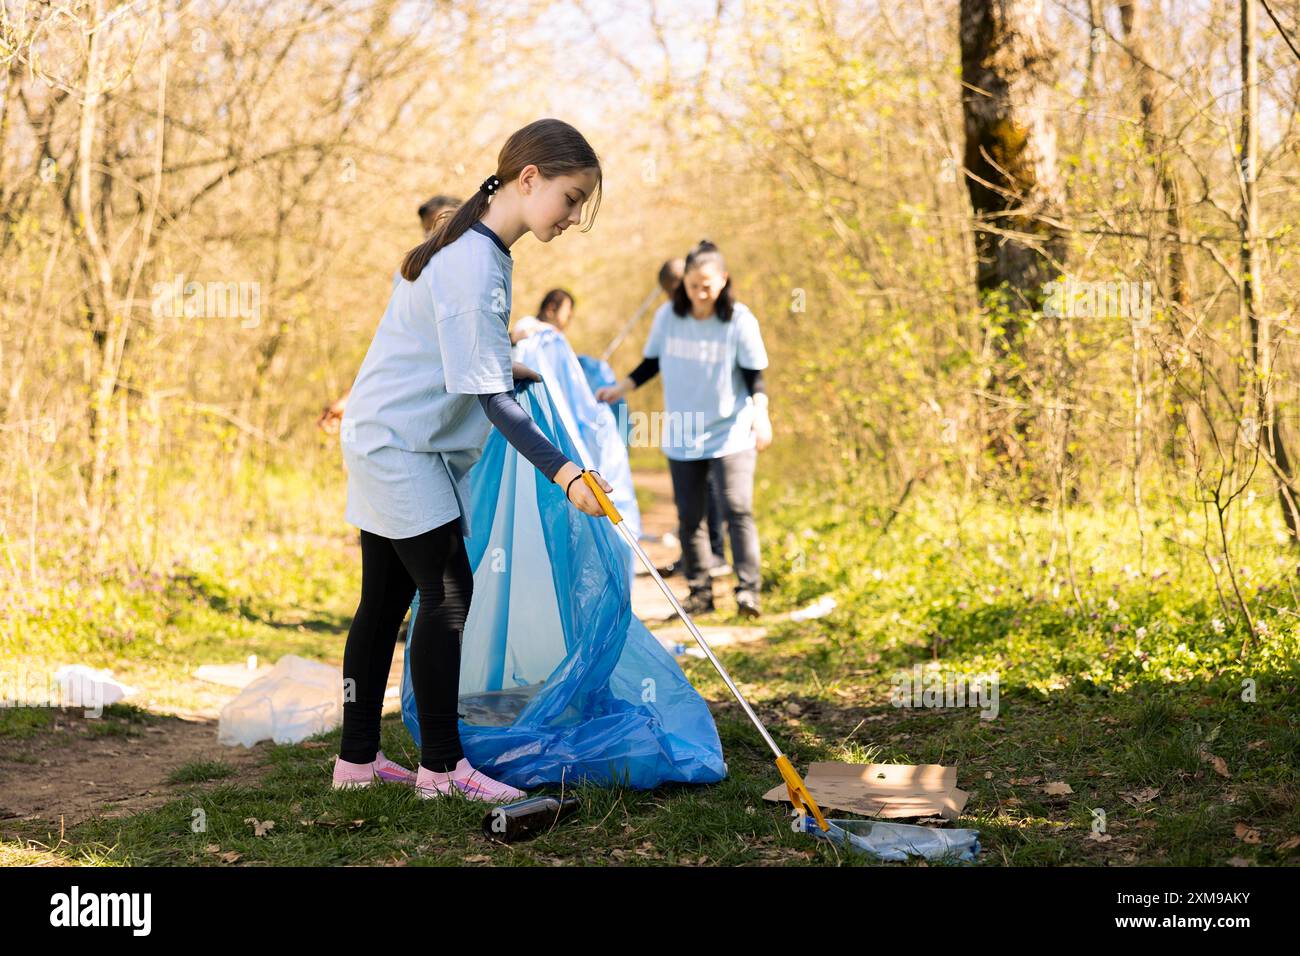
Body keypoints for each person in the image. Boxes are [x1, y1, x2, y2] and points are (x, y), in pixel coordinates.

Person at [332, 118, 612, 801]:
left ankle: (356, 764)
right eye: (571, 198)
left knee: (387, 599)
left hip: (387, 436)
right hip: (400, 448)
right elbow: (490, 399)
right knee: (449, 592)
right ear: (528, 179)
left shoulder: (478, 248)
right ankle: (441, 770)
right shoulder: (473, 259)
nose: (574, 217)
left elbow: (458, 355)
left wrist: (511, 367)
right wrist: (566, 472)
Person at [596, 239, 772, 618]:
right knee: (690, 517)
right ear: (684, 284)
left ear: (723, 280)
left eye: (707, 284)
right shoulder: (668, 318)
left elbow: (754, 376)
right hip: (683, 430)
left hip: (732, 430)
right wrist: (619, 389)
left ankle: (748, 591)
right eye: (693, 285)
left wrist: (762, 415)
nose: (700, 292)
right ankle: (700, 591)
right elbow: (650, 364)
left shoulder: (739, 320)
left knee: (737, 508)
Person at [316, 194, 461, 434]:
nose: (430, 237)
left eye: (438, 226)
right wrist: (350, 399)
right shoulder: (411, 275)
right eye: (426, 230)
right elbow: (393, 341)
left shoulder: (479, 269)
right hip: (415, 405)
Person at [649, 257, 732, 581]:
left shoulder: (715, 316)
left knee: (711, 489)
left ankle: (716, 554)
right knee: (689, 500)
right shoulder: (673, 318)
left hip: (714, 421)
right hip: (684, 418)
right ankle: (693, 558)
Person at [509, 288, 574, 344]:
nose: (570, 315)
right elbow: (513, 341)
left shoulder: (557, 337)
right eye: (567, 310)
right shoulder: (528, 323)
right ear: (551, 309)